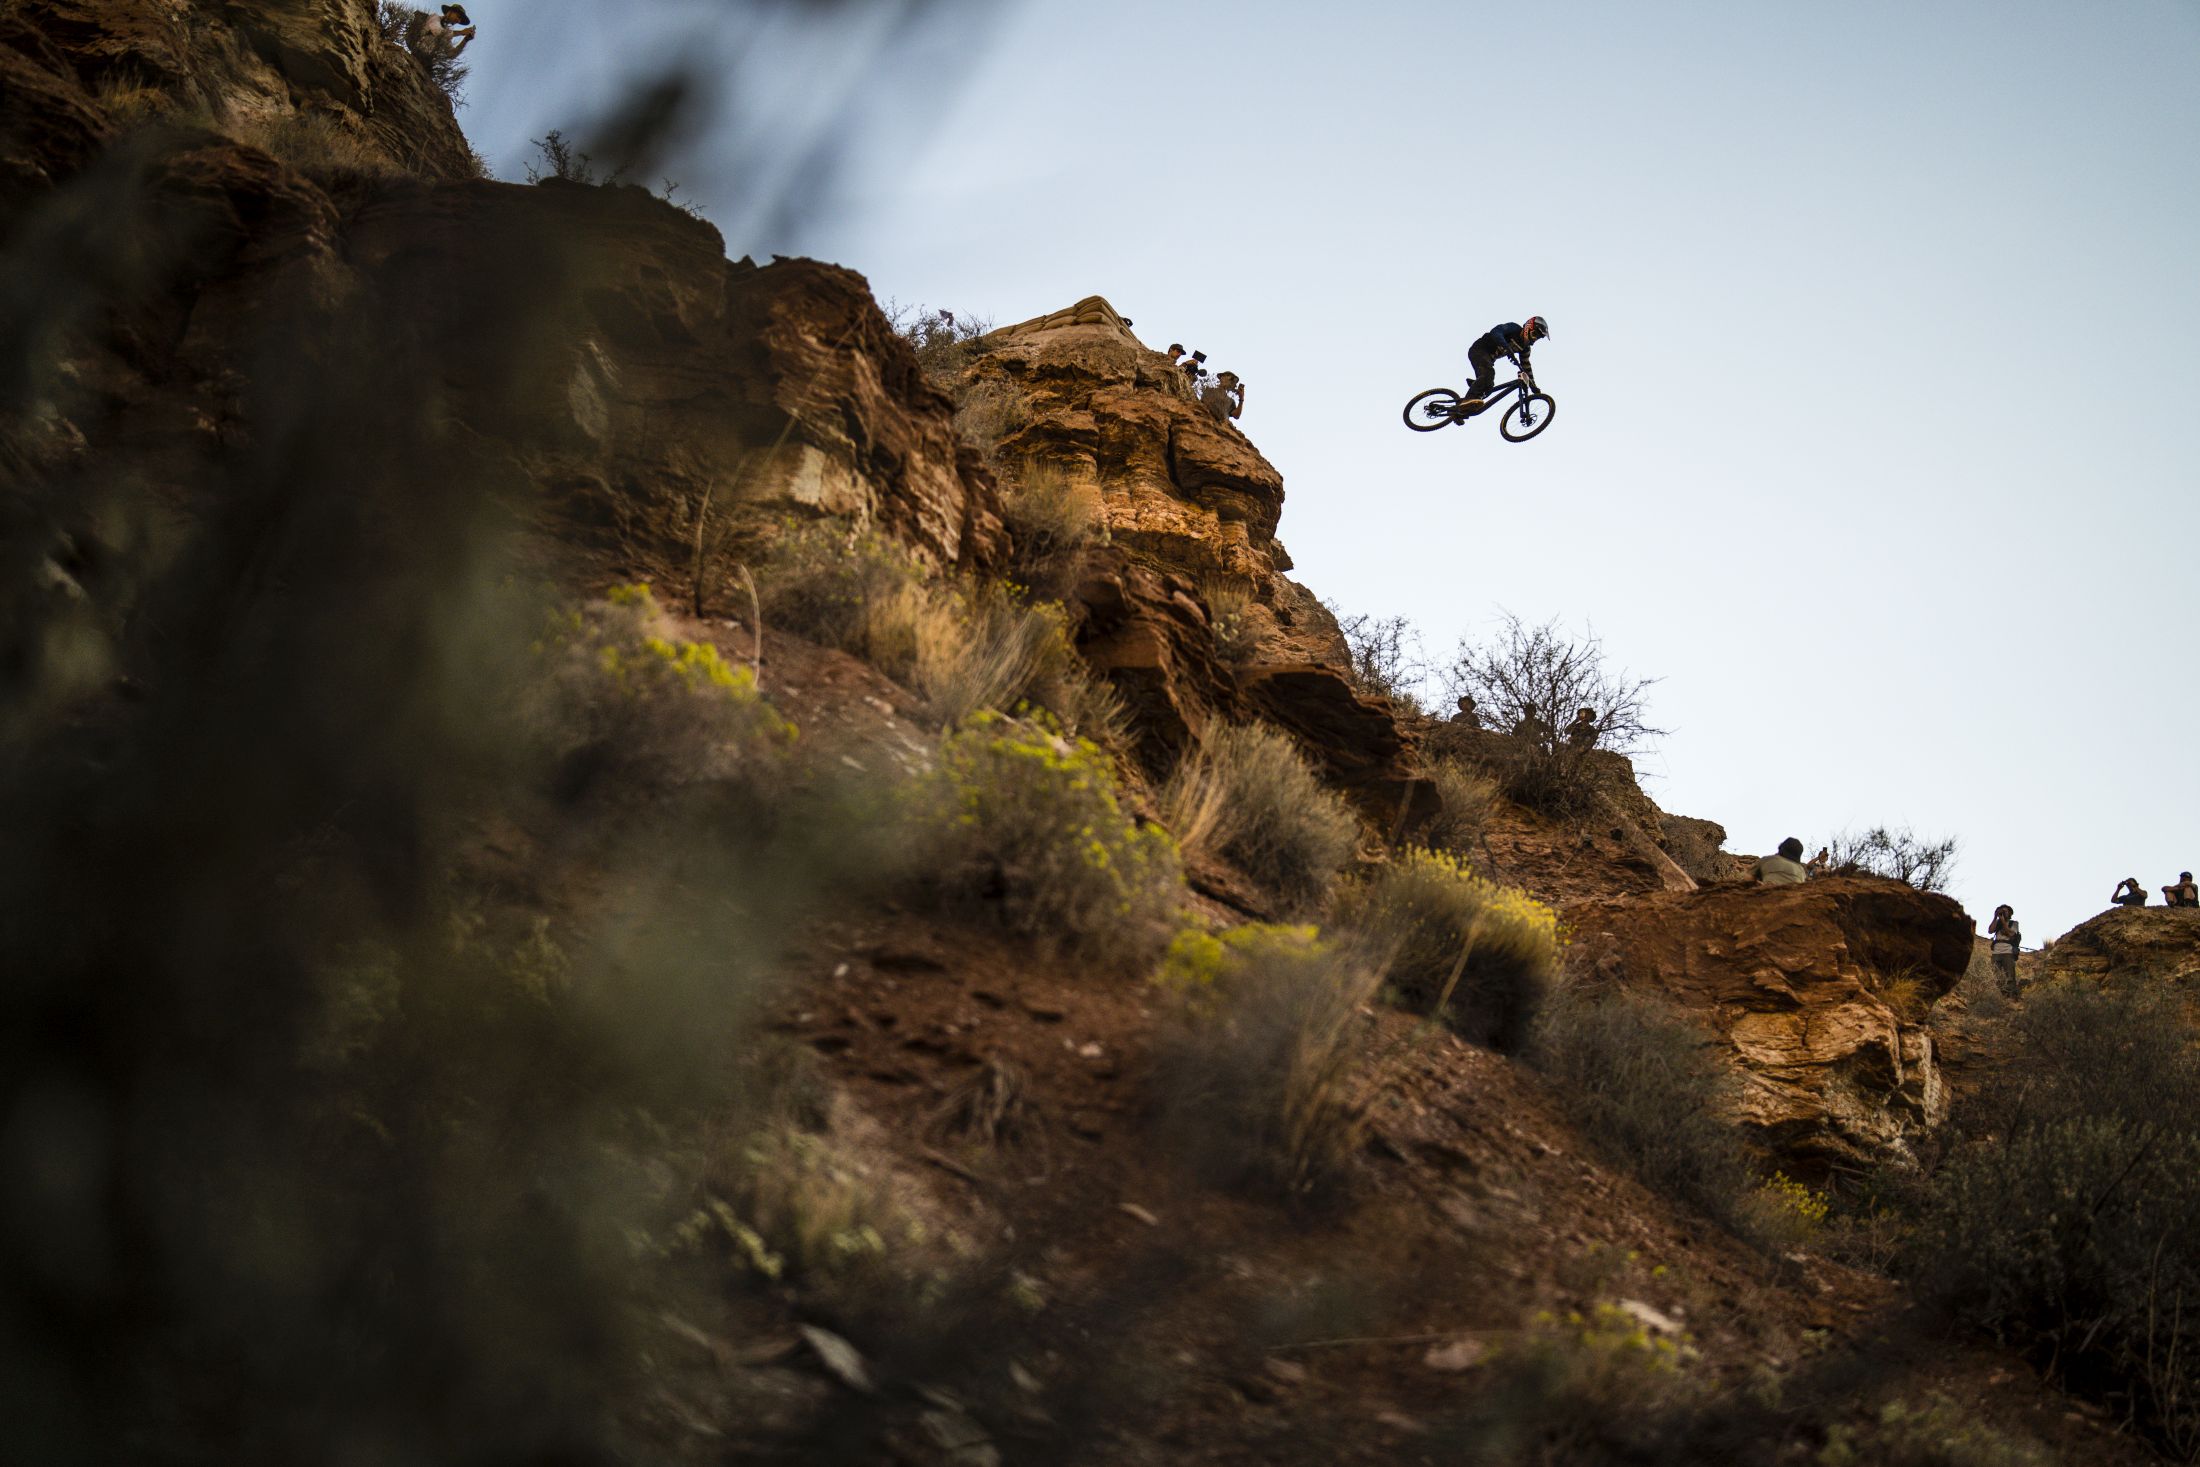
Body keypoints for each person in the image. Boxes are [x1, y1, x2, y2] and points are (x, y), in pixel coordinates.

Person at [1463, 315, 1549, 410]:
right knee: (1489, 373)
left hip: (1489, 359)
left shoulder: (1525, 348)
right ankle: (1468, 399)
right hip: (1479, 350)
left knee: (1489, 387)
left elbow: (1526, 366)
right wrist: (1507, 348)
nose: (1533, 340)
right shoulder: (1514, 328)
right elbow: (1496, 332)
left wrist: (1533, 387)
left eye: (1536, 339)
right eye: (1534, 335)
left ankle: (1462, 411)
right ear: (1527, 328)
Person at [1987, 904, 2022, 996]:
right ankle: (2000, 995)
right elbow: (1990, 931)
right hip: (1996, 952)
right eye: (2001, 911)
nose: (2003, 913)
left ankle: (2012, 996)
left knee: (2010, 976)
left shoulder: (2014, 923)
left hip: (2008, 952)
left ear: (2010, 913)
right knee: (1996, 975)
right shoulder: (1998, 923)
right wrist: (1995, 918)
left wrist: (2003, 921)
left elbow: (2011, 934)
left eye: (2005, 911)